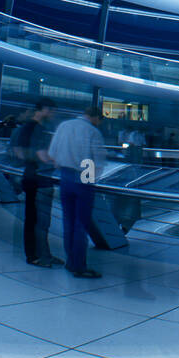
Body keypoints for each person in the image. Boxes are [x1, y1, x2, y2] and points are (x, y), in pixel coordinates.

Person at [48, 104, 108, 279]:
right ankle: (79, 266)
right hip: (84, 174)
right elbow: (97, 161)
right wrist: (91, 179)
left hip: (64, 175)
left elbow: (52, 153)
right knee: (81, 223)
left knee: (68, 222)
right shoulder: (93, 132)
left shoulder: (64, 126)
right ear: (97, 118)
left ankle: (71, 262)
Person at [17, 100, 59, 266]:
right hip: (35, 177)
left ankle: (43, 253)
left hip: (37, 177)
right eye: (51, 110)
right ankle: (33, 255)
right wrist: (43, 158)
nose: (53, 114)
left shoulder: (38, 128)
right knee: (34, 219)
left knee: (40, 220)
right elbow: (20, 152)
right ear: (42, 110)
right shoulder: (31, 128)